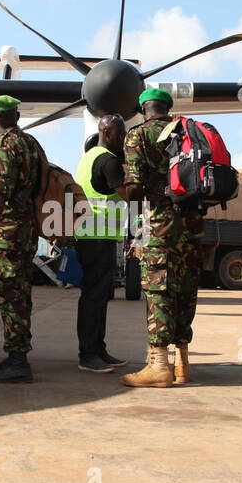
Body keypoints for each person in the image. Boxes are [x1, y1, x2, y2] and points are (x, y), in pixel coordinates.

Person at [121, 87, 204, 387]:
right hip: (192, 225)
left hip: (159, 224)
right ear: (166, 107)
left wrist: (133, 227)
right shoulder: (187, 131)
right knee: (184, 288)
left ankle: (159, 365)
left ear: (144, 108)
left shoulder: (138, 135)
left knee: (158, 290)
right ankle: (182, 362)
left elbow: (133, 186)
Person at [0, 95, 45, 383]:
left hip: (8, 233)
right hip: (26, 230)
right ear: (16, 117)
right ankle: (16, 355)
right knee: (19, 295)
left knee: (9, 296)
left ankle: (18, 360)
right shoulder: (29, 144)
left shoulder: (4, 147)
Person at [74, 115, 130, 373]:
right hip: (97, 236)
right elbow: (130, 195)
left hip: (89, 235)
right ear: (107, 132)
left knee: (98, 295)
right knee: (95, 296)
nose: (123, 139)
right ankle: (88, 354)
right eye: (120, 134)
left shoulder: (88, 157)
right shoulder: (109, 161)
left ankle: (98, 349)